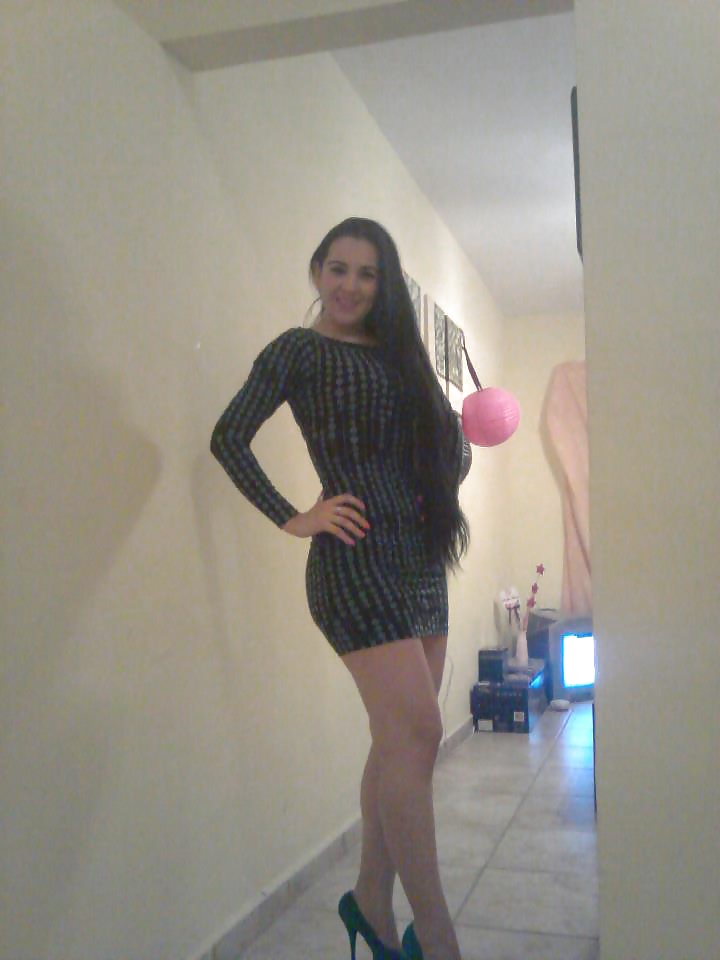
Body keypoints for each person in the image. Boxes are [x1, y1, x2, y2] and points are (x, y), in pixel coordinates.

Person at [211, 217, 470, 960]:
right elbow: (229, 437)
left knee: (399, 743)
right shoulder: (298, 351)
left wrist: (446, 464)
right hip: (353, 564)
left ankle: (370, 902)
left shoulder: (400, 355)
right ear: (318, 270)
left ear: (383, 285)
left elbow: (448, 451)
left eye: (367, 273)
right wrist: (296, 516)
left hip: (420, 559)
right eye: (338, 268)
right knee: (417, 734)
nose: (350, 285)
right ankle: (437, 937)